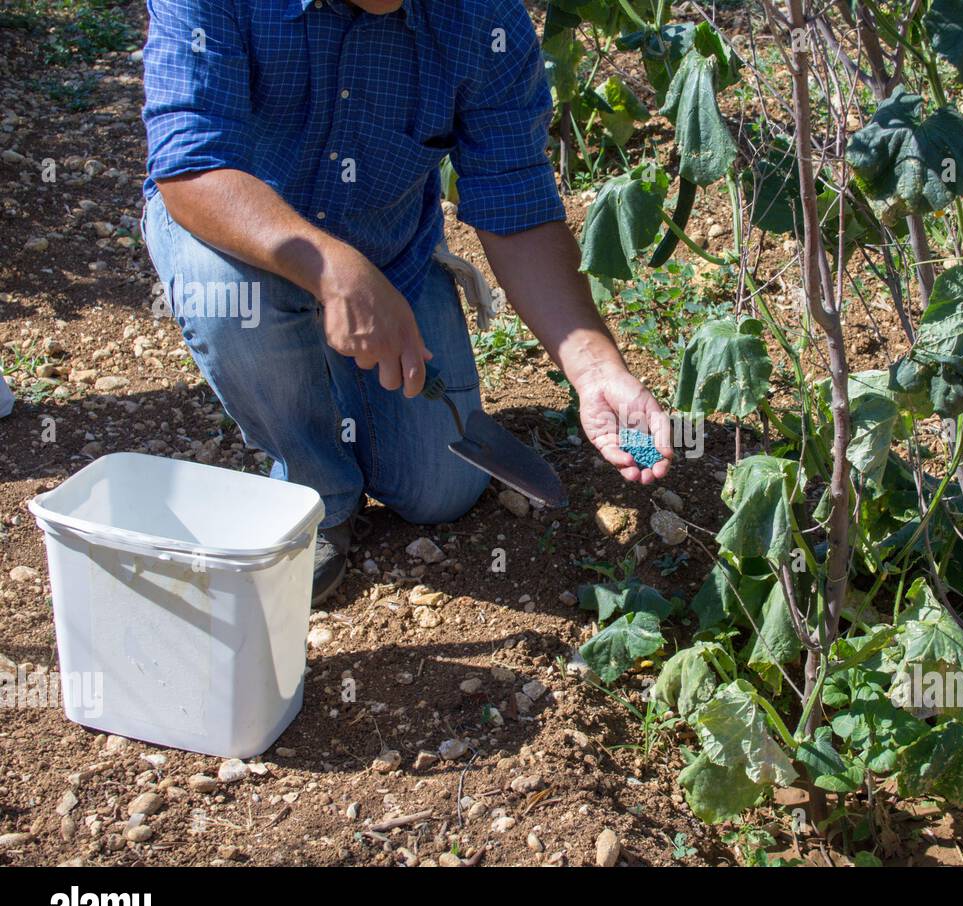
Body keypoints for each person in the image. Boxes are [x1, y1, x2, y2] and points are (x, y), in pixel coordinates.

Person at [140, 0, 672, 604]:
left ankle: (332, 356)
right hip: (236, 240)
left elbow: (517, 203)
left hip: (390, 256)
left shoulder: (481, 18)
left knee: (438, 489)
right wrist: (333, 270)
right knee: (232, 298)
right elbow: (192, 164)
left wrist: (596, 369)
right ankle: (316, 489)